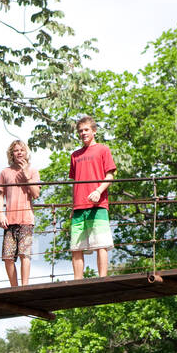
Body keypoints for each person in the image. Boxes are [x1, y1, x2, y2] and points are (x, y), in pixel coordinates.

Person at [69, 116, 116, 279]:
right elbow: (75, 182)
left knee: (101, 244)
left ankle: (102, 278)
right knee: (76, 246)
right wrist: (73, 205)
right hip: (78, 207)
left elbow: (110, 175)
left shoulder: (103, 149)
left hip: (98, 204)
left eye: (86, 130)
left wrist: (98, 191)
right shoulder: (75, 155)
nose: (83, 133)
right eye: (80, 131)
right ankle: (77, 281)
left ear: (94, 131)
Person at [0, 138, 40, 286]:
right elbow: (0, 195)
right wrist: (0, 214)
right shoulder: (5, 172)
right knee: (8, 257)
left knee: (24, 254)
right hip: (10, 219)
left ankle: (24, 286)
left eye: (21, 150)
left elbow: (36, 194)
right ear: (12, 153)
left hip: (26, 219)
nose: (19, 152)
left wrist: (26, 174)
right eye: (16, 150)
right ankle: (14, 287)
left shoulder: (33, 172)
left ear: (26, 152)